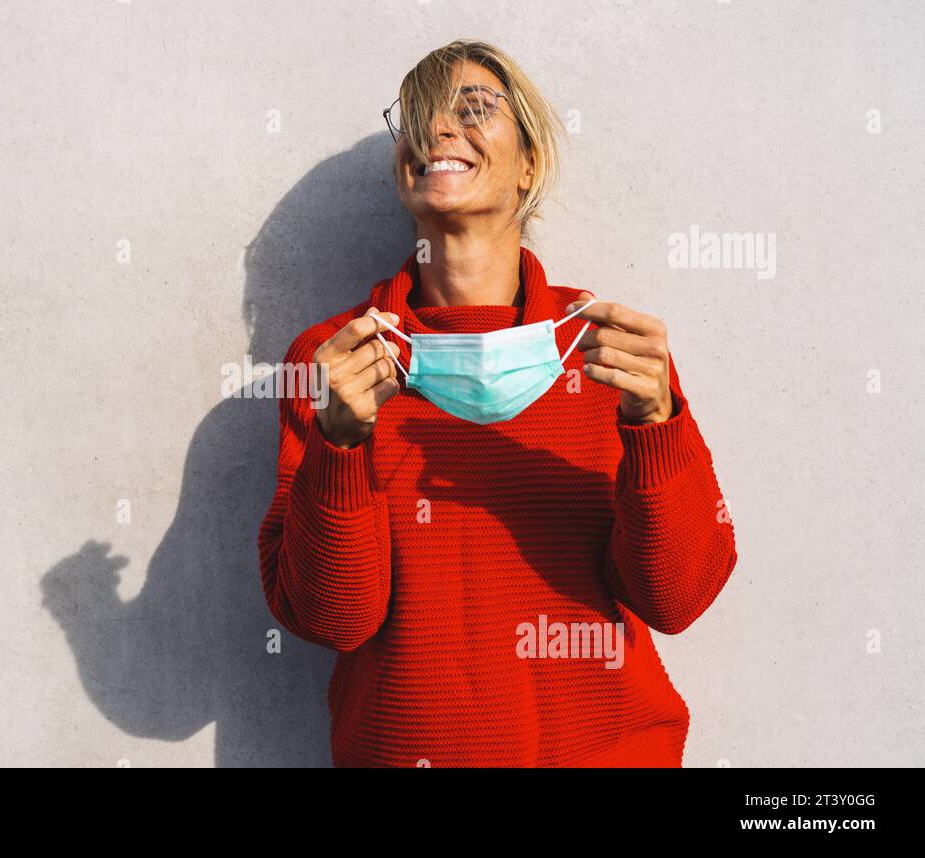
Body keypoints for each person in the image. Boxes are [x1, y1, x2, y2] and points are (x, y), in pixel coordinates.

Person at [256, 39, 738, 767]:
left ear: (529, 166)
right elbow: (334, 619)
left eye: (474, 109)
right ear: (402, 167)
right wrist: (341, 445)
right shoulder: (336, 361)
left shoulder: (609, 350)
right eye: (417, 119)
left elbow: (677, 599)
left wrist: (653, 427)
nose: (438, 131)